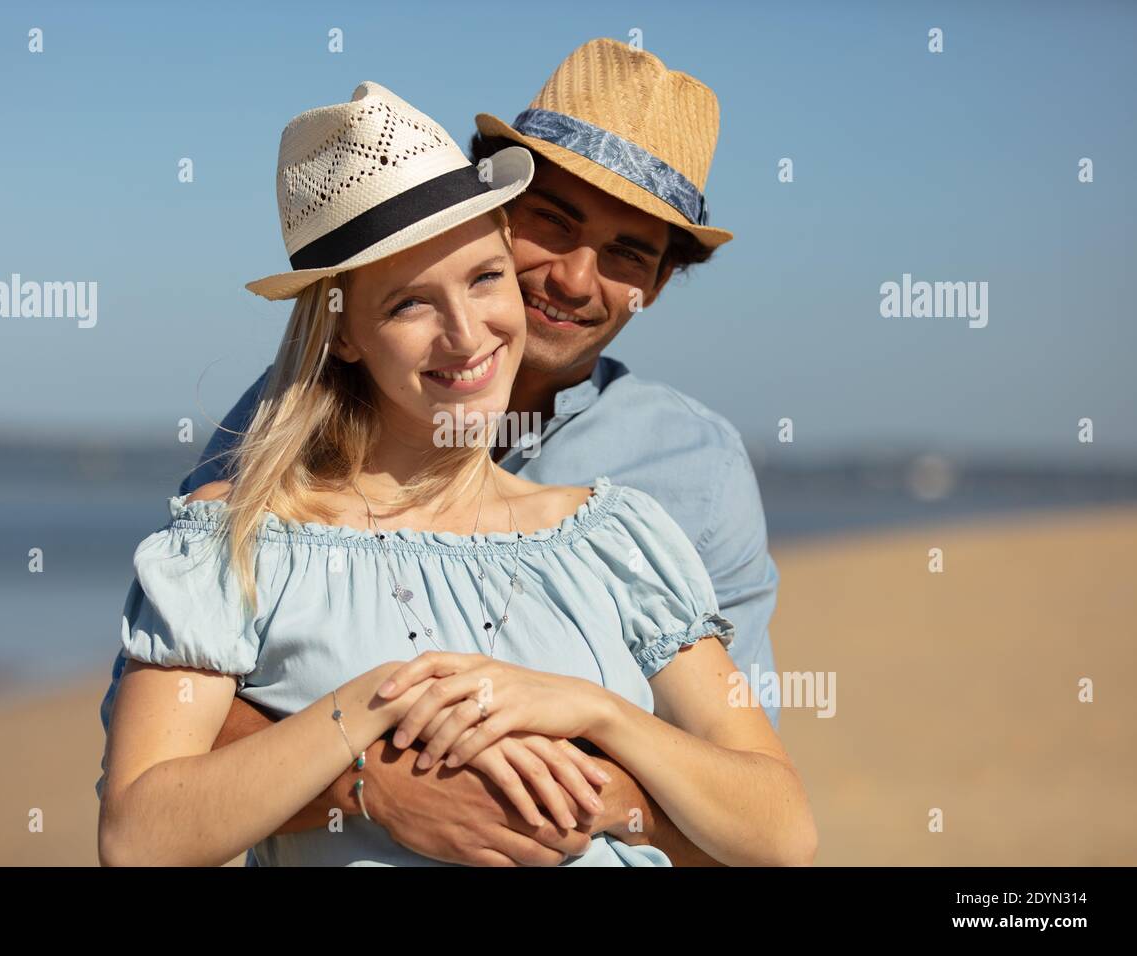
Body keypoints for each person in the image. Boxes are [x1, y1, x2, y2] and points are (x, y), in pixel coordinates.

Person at [96, 78, 815, 868]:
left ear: (657, 282)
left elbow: (766, 827)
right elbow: (153, 786)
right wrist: (369, 768)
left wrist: (599, 733)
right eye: (408, 304)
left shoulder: (645, 513)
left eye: (482, 279)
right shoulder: (254, 500)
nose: (468, 335)